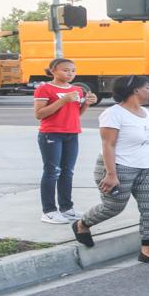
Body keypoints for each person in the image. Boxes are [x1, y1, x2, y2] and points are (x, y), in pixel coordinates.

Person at [72, 75, 149, 264]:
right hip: (118, 168)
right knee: (113, 207)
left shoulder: (144, 113)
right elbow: (109, 145)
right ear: (135, 91)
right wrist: (111, 174)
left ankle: (147, 251)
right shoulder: (113, 113)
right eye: (147, 88)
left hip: (148, 168)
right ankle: (82, 224)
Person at [32, 58, 98, 224]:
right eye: (65, 70)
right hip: (51, 135)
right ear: (53, 71)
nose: (70, 74)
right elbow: (39, 114)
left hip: (72, 134)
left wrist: (86, 104)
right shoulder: (44, 88)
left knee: (67, 172)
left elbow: (76, 114)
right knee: (52, 172)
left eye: (73, 70)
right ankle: (48, 211)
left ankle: (67, 209)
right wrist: (63, 100)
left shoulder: (77, 90)